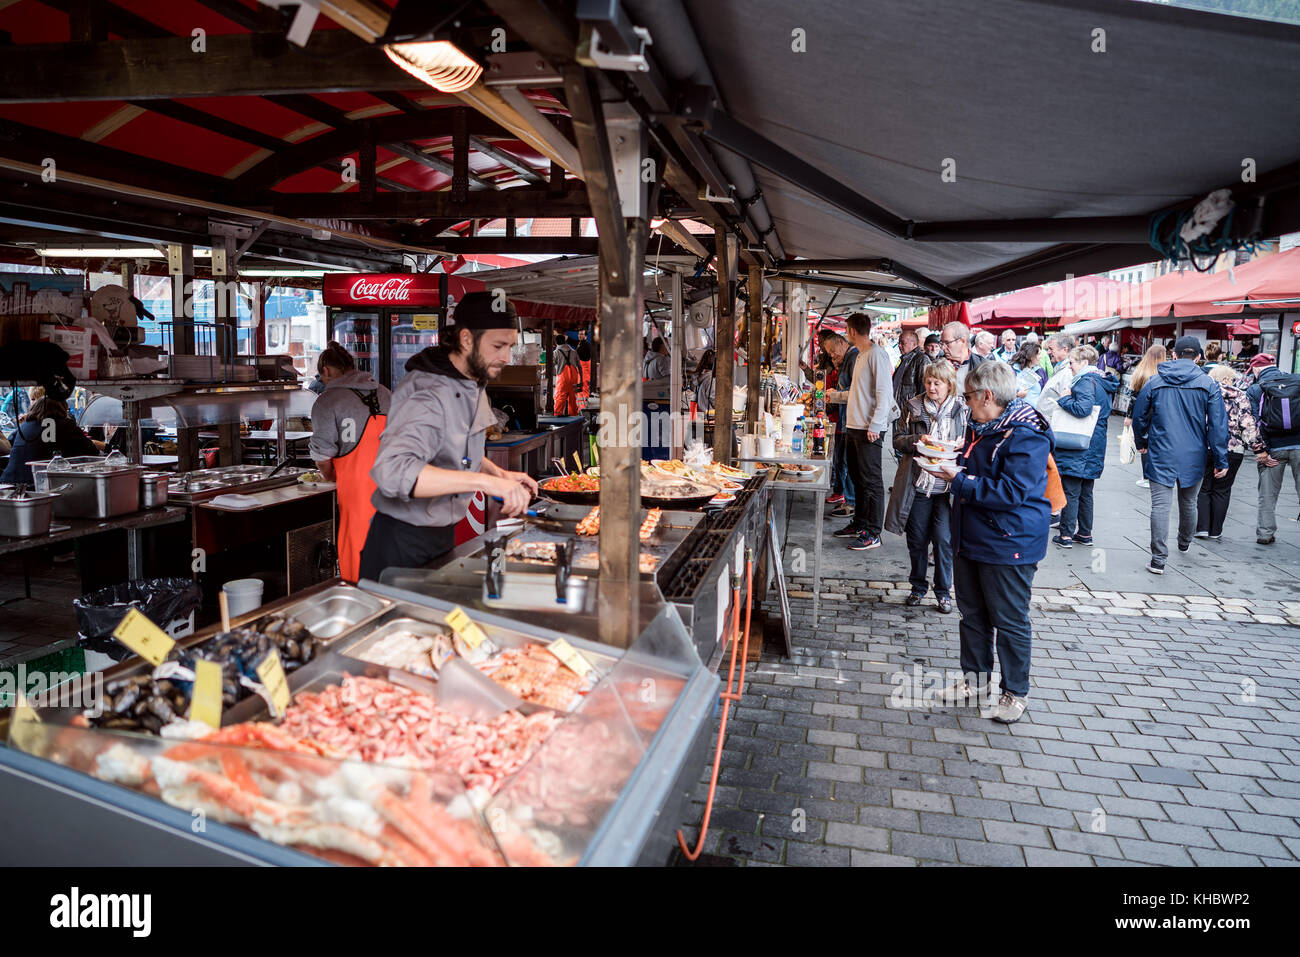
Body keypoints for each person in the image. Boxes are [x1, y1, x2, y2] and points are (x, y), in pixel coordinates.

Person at [361, 291, 538, 579]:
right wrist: (484, 482)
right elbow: (392, 472)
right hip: (401, 544)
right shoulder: (428, 393)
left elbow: (460, 451)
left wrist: (497, 474)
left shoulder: (472, 382)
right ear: (467, 339)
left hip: (441, 537)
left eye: (511, 346)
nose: (507, 357)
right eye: (498, 346)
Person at [929, 361, 1051, 724]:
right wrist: (952, 459)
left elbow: (1013, 492)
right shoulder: (984, 426)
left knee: (1010, 619)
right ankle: (975, 682)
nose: (966, 405)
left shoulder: (1025, 433)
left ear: (986, 395)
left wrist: (959, 480)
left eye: (968, 397)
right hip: (973, 535)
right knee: (973, 613)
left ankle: (1014, 692)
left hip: (1008, 540)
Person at [1132, 336, 1229, 574]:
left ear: (1173, 355)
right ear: (1198, 357)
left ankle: (1158, 559)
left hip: (1161, 451)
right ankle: (1184, 541)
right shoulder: (1208, 384)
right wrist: (1220, 459)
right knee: (1189, 502)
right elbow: (1218, 425)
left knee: (1160, 506)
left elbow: (1139, 416)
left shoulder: (1155, 382)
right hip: (1193, 453)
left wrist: (1141, 441)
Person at [886, 359, 967, 613]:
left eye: (937, 383)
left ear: (949, 385)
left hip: (947, 488)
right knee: (917, 540)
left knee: (944, 541)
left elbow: (968, 443)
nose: (932, 387)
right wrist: (917, 439)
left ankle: (943, 592)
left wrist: (959, 446)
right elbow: (897, 441)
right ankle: (918, 587)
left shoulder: (961, 409)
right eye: (928, 382)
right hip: (919, 484)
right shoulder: (913, 406)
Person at [309, 341, 393, 582]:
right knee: (390, 555)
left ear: (326, 370)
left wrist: (330, 474)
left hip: (357, 496)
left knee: (358, 557)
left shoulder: (328, 400)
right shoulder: (385, 392)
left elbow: (322, 455)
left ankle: (363, 609)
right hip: (392, 489)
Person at [825, 311, 893, 550]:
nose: (846, 333)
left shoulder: (877, 355)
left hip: (868, 429)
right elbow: (858, 392)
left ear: (852, 331)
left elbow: (885, 393)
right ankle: (860, 523)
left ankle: (873, 532)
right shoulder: (863, 355)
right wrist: (835, 395)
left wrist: (875, 424)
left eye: (847, 329)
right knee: (858, 478)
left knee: (871, 481)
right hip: (854, 426)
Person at [1051, 345, 1118, 549]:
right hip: (1095, 443)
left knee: (1071, 491)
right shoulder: (1101, 380)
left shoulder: (1084, 382)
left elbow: (1083, 409)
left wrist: (1064, 398)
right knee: (1086, 491)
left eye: (1072, 362)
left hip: (1079, 445)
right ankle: (1085, 533)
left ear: (1083, 363)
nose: (1069, 366)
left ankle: (1066, 535)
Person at [1196, 364, 1268, 541]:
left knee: (1204, 487)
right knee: (1223, 489)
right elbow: (1248, 424)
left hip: (1206, 447)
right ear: (1228, 379)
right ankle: (1215, 530)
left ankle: (1202, 527)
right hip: (1233, 449)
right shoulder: (1240, 396)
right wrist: (1259, 449)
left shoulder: (1204, 393)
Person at [1243, 353, 1300, 545]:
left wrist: (1263, 451)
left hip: (1273, 449)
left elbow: (1254, 423)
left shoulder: (1255, 389)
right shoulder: (1296, 381)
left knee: (1267, 495)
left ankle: (1265, 533)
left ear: (1257, 369)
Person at [1, 391, 99, 484]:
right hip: (38, 483)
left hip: (8, 480)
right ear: (62, 408)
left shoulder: (24, 425)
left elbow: (11, 442)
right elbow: (92, 452)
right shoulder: (65, 425)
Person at [820, 331, 856, 517]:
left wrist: (834, 395)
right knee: (842, 461)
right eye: (829, 354)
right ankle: (847, 499)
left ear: (842, 342)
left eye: (833, 351)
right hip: (843, 419)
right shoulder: (846, 359)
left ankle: (850, 502)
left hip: (850, 420)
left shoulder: (854, 357)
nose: (832, 356)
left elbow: (855, 390)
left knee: (847, 463)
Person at [891, 329, 927, 430]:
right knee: (898, 443)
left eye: (903, 343)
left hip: (910, 415)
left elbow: (924, 390)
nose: (899, 345)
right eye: (899, 342)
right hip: (899, 412)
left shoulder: (922, 359)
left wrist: (914, 413)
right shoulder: (904, 358)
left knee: (907, 444)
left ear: (914, 343)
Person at [940, 321, 983, 391]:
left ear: (962, 341)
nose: (943, 348)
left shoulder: (982, 366)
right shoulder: (937, 365)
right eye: (942, 343)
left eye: (947, 343)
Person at [693, 349, 716, 414]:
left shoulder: (701, 376)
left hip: (700, 414)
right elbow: (713, 398)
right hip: (709, 415)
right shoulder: (711, 379)